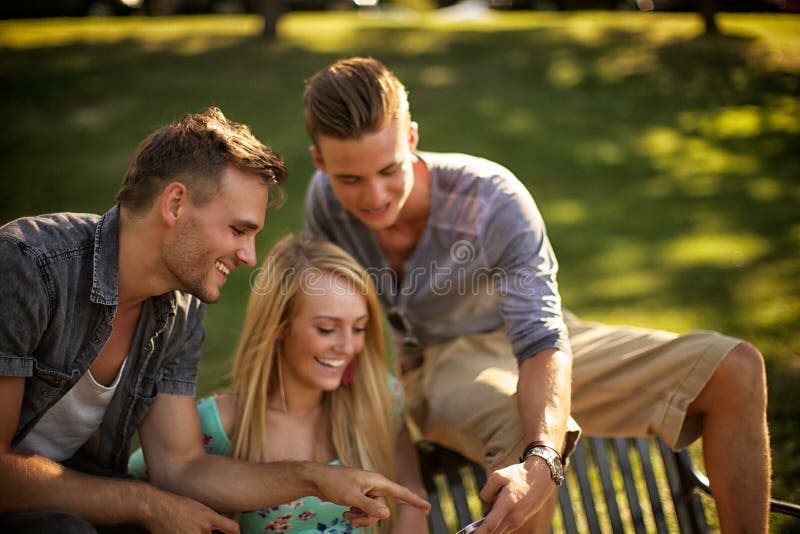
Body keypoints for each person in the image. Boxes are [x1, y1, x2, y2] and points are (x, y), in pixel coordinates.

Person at [302, 57, 771, 533]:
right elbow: (326, 319)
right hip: (444, 361)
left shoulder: (491, 198)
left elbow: (541, 335)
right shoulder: (323, 204)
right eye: (350, 179)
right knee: (518, 430)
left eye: (389, 169)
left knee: (734, 368)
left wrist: (547, 454)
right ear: (321, 163)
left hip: (543, 340)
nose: (375, 195)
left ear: (412, 139)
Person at [0, 107, 430, 534]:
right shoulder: (28, 267)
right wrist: (148, 505)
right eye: (238, 230)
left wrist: (317, 479)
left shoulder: (179, 312)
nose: (249, 256)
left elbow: (181, 466)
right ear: (175, 203)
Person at [128, 235, 429, 533]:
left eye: (359, 328)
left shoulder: (380, 397)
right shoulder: (220, 424)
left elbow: (411, 498)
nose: (348, 347)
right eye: (326, 329)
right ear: (279, 328)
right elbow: (136, 486)